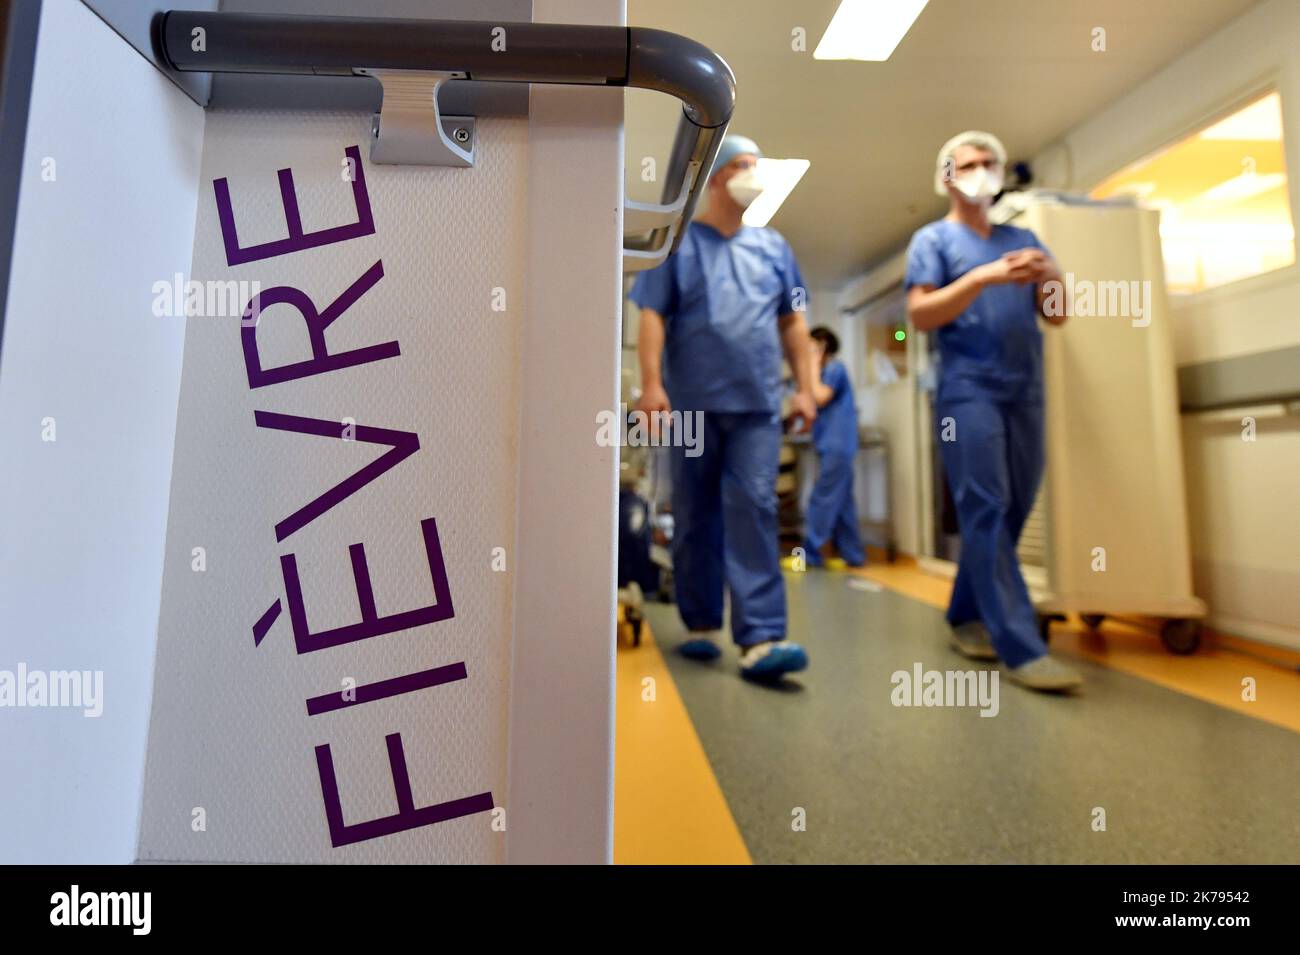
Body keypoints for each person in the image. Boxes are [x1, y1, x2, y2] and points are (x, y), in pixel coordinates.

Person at [630, 134, 818, 682]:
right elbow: (651, 316)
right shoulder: (677, 242)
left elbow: (794, 322)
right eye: (742, 166)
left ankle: (761, 636)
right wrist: (651, 386)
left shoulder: (775, 248)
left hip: (758, 404)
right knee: (694, 512)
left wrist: (805, 388)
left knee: (754, 505)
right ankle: (700, 621)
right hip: (691, 403)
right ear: (713, 177)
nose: (753, 175)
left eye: (757, 166)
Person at [904, 130, 1082, 693]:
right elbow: (922, 313)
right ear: (947, 177)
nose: (981, 170)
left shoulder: (1024, 237)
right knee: (984, 505)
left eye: (989, 162)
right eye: (969, 163)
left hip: (1024, 389)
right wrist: (981, 277)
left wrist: (1052, 278)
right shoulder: (933, 240)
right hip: (968, 392)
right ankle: (1021, 647)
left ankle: (964, 615)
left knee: (1012, 508)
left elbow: (1056, 317)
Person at [802, 326, 866, 569]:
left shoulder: (834, 369)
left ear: (822, 346)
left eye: (811, 347)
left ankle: (809, 552)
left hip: (837, 444)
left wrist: (811, 365)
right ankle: (854, 555)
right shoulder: (823, 372)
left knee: (823, 498)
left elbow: (820, 397)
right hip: (833, 444)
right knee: (843, 503)